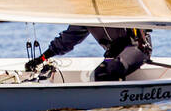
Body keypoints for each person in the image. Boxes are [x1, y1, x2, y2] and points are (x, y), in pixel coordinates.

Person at [24, 25, 153, 81]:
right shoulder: (87, 15)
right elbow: (66, 40)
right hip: (113, 56)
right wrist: (41, 58)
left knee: (104, 72)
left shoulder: (116, 4)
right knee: (104, 69)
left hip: (138, 48)